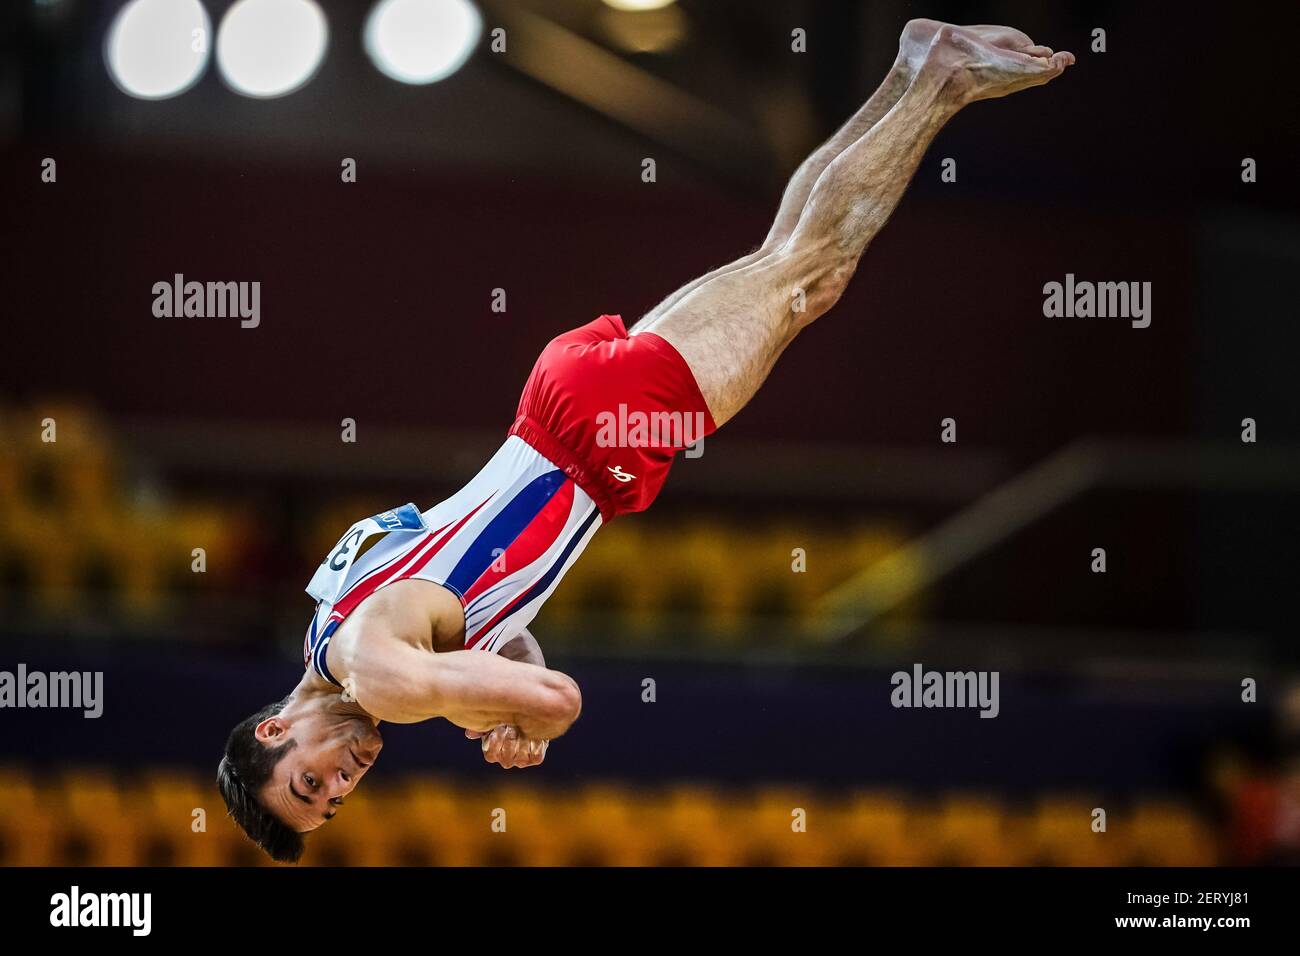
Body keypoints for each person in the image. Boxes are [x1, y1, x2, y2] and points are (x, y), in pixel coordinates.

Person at [217, 19, 1073, 862]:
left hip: (594, 442)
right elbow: (488, 608)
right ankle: (910, 70)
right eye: (332, 806)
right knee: (789, 270)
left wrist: (520, 725)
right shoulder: (329, 615)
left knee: (808, 274)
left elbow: (558, 698)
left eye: (308, 782)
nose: (342, 783)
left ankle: (944, 80)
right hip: (559, 409)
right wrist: (508, 694)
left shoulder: (382, 683)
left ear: (276, 727)